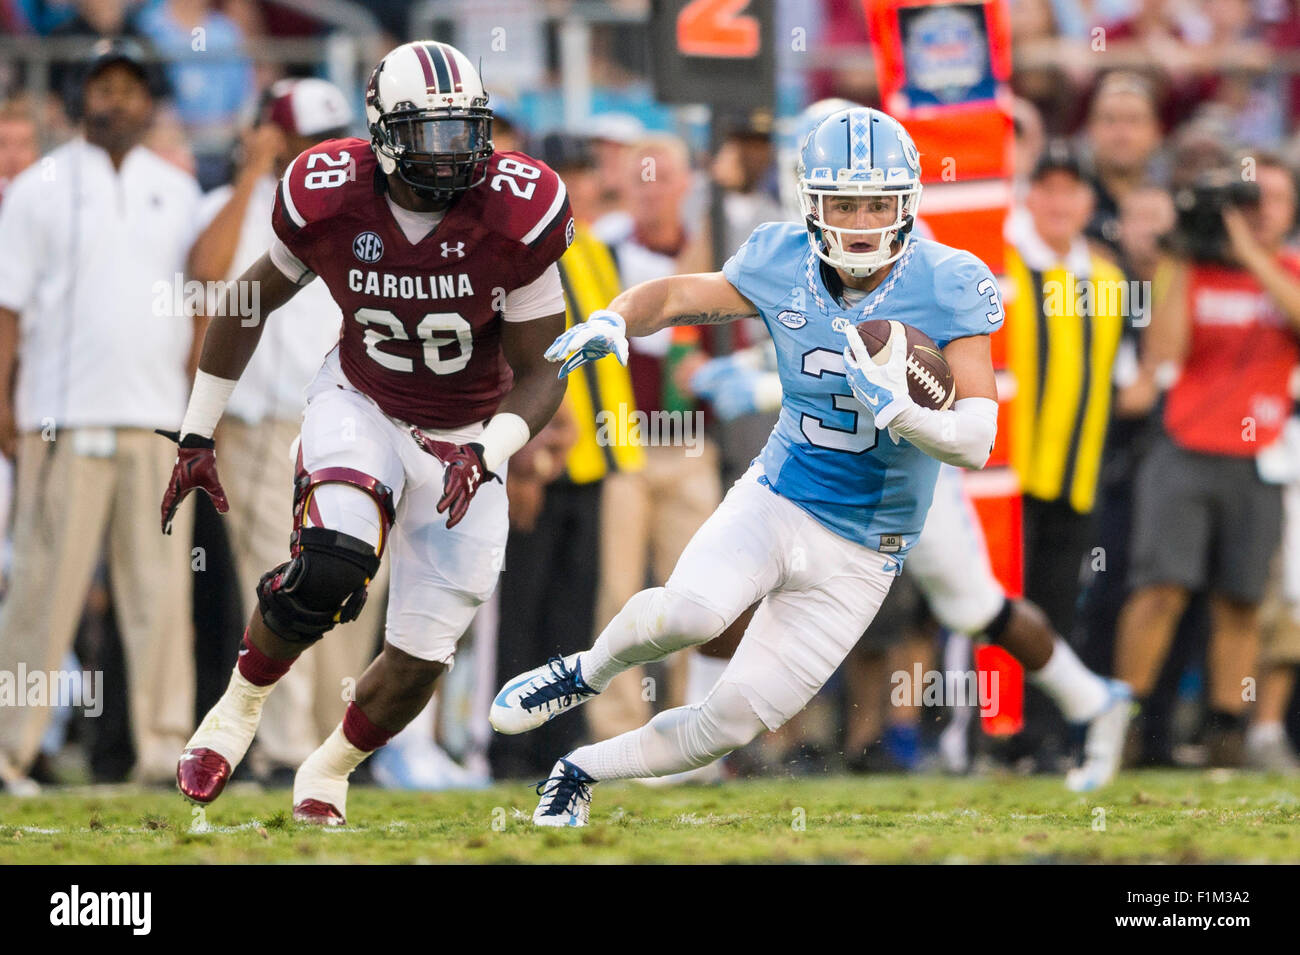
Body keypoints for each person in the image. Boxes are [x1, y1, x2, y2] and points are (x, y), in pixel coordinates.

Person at [493, 106, 1006, 826]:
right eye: (843, 202)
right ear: (810, 202)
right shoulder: (780, 257)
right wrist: (615, 317)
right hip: (780, 497)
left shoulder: (950, 279)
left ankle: (578, 769)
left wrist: (904, 415)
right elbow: (675, 296)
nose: (860, 220)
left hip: (868, 547)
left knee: (726, 724)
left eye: (876, 202)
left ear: (907, 202)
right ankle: (586, 671)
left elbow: (978, 438)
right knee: (693, 612)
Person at [166, 40, 574, 824]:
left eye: (466, 133)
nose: (455, 155)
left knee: (420, 658)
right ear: (384, 134)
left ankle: (330, 766)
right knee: (331, 563)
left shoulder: (519, 210)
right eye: (433, 134)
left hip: (470, 436)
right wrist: (196, 434)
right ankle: (239, 707)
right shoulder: (329, 192)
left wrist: (490, 449)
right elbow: (246, 305)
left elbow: (544, 365)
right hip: (365, 401)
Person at [0, 39, 203, 790]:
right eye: (104, 86)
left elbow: (200, 306)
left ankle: (163, 752)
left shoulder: (177, 189)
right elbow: (7, 311)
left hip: (156, 420)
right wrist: (6, 408)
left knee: (158, 597)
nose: (116, 99)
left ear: (150, 101)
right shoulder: (41, 187)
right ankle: (7, 750)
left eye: (131, 87)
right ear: (81, 95)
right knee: (41, 593)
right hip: (62, 416)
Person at [186, 77, 387, 782]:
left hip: (359, 417)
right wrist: (250, 172)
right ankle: (283, 744)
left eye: (333, 140)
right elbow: (204, 277)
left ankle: (338, 740)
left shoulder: (362, 208)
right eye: (305, 141)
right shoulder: (236, 207)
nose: (322, 155)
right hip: (265, 418)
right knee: (284, 578)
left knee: (358, 583)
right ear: (273, 139)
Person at [1115, 153, 1300, 767]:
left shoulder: (1290, 269)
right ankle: (1124, 723)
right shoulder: (1193, 268)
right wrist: (1186, 257)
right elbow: (1165, 353)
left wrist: (1251, 254)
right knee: (1159, 589)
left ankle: (1226, 733)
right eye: (1244, 204)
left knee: (1240, 598)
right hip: (1187, 448)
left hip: (1258, 456)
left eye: (1267, 200)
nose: (1254, 214)